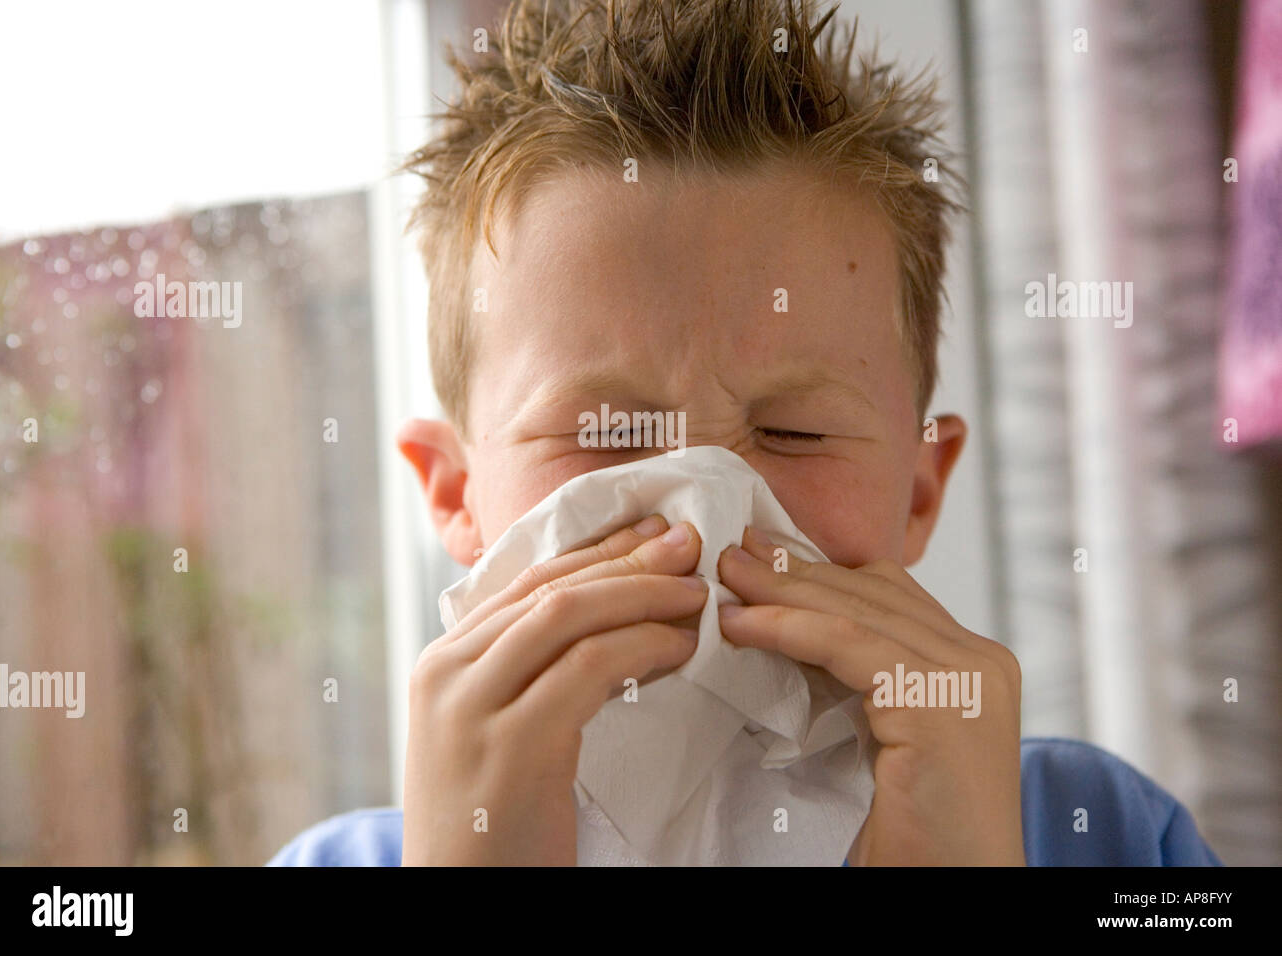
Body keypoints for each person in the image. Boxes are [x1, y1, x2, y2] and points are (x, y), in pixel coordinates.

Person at [269, 0, 1222, 866]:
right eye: (605, 432)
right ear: (453, 494)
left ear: (920, 488)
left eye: (793, 432)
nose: (706, 506)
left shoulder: (1110, 834)